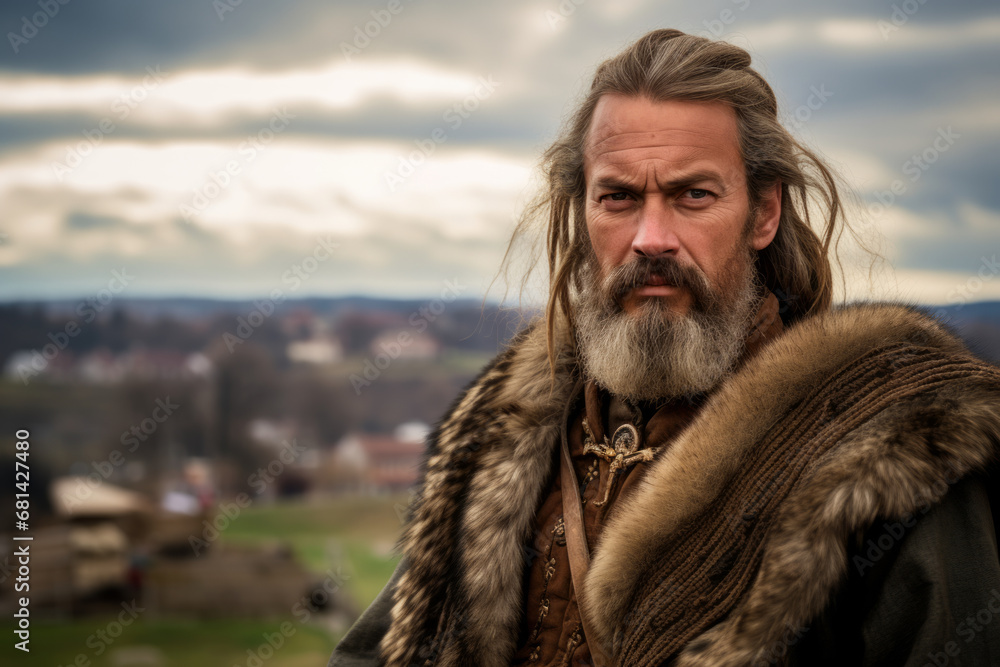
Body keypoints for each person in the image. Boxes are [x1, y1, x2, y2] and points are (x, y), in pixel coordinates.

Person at [329, 28, 1000, 667]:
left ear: (763, 213)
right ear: (584, 213)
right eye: (618, 197)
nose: (652, 237)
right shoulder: (509, 427)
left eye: (693, 195)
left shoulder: (894, 443)